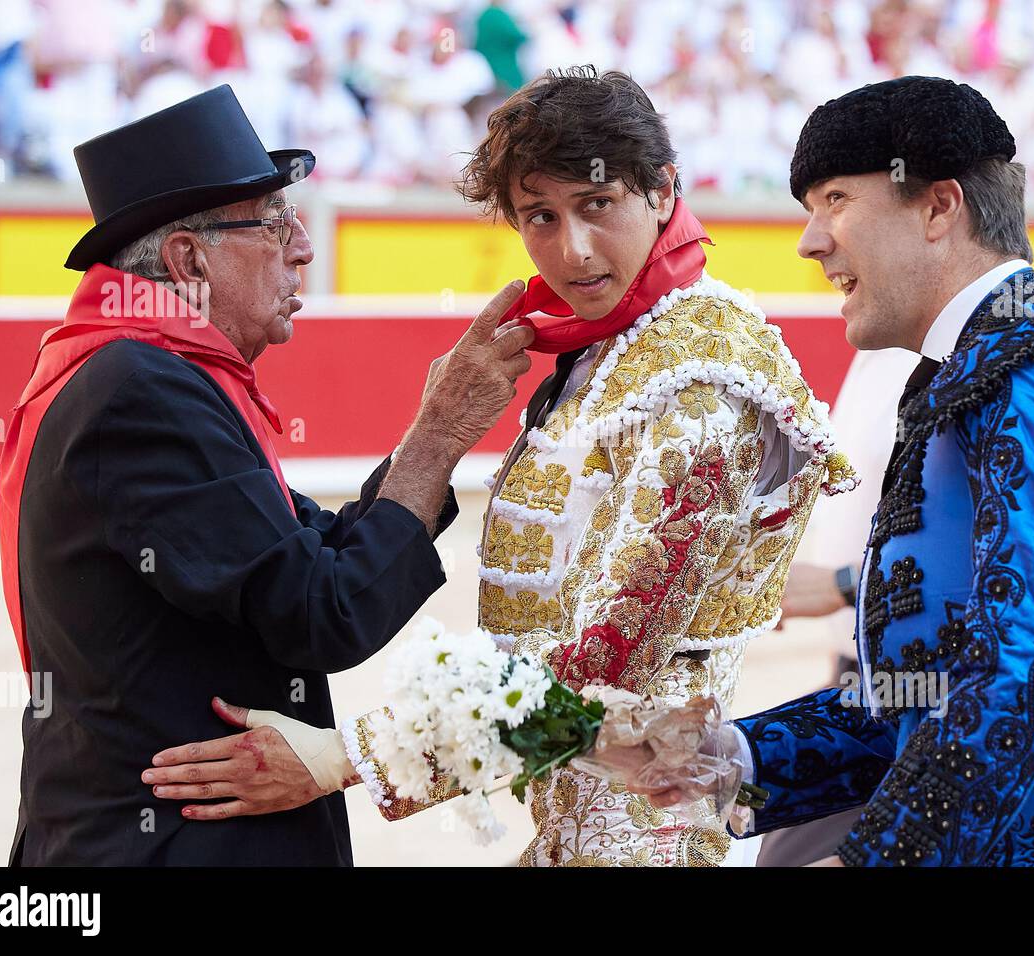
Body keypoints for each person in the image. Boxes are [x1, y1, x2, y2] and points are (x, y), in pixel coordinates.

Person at [150, 66, 856, 868]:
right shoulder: (609, 352)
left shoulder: (703, 381)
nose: (573, 249)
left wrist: (343, 758)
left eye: (597, 206)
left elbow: (595, 677)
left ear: (662, 192)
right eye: (540, 217)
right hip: (576, 833)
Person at [626, 76, 1034, 867]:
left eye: (835, 200)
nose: (810, 241)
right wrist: (729, 753)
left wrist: (882, 860)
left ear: (939, 207)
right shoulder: (982, 363)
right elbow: (925, 699)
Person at [0, 85, 534, 865]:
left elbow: (319, 553)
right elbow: (323, 609)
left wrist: (432, 435)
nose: (303, 247)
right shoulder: (143, 391)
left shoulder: (142, 373)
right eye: (274, 222)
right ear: (187, 259)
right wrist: (439, 435)